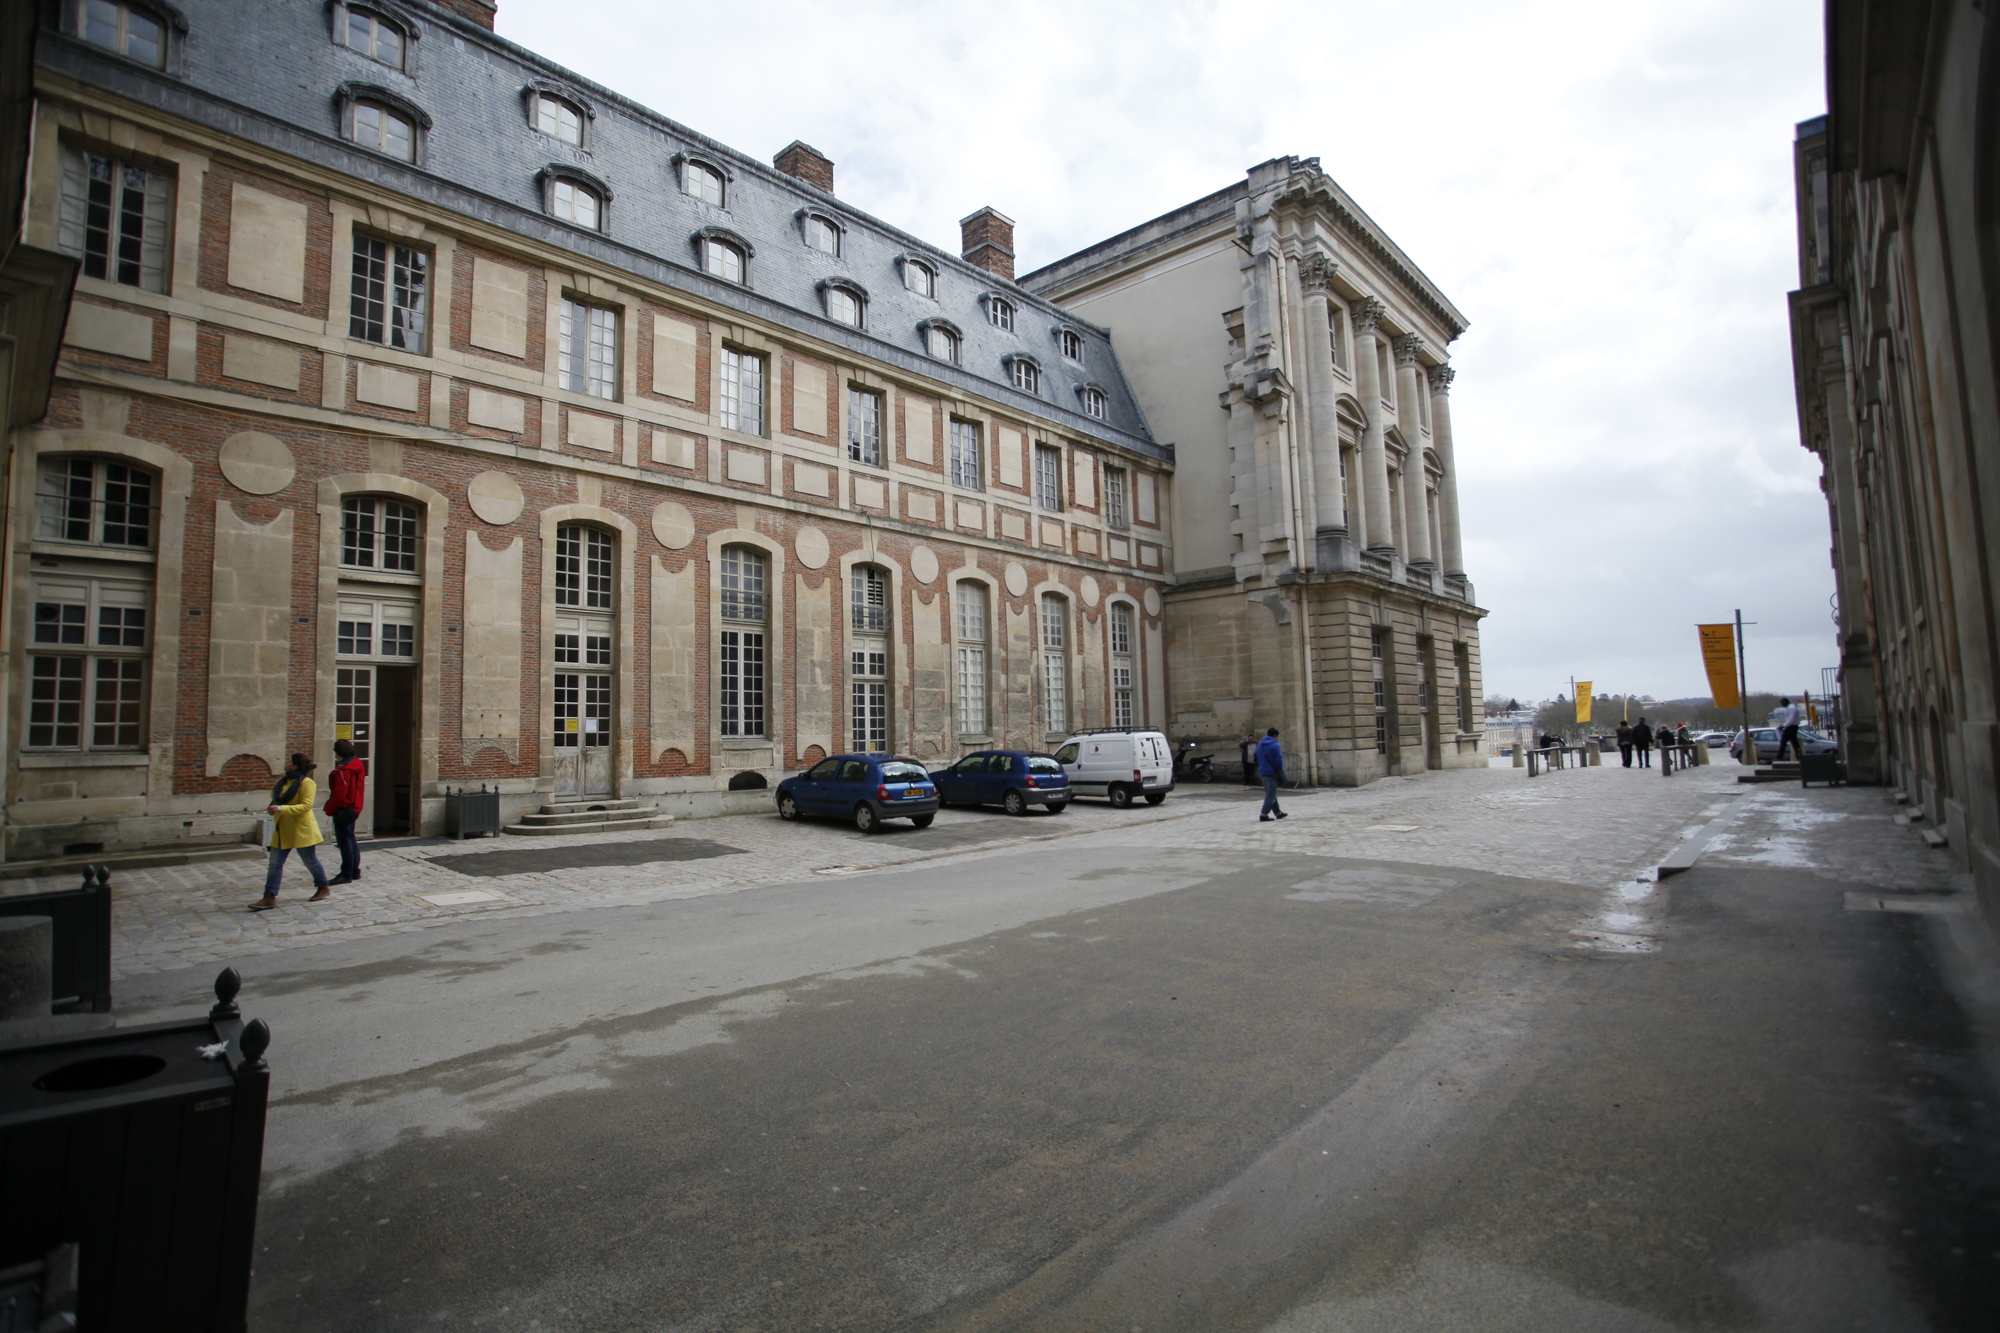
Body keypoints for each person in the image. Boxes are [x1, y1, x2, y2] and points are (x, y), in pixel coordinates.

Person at [249, 753, 331, 911]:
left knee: (310, 860)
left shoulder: (307, 783)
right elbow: (275, 796)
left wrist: (281, 808)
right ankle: (269, 896)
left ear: (295, 765)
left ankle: (323, 886)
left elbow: (306, 806)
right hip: (283, 829)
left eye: (289, 761)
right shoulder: (284, 781)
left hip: (301, 829)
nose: (285, 763)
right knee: (275, 863)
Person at [325, 738, 367, 885]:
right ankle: (354, 870)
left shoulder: (345, 769)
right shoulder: (356, 764)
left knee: (345, 841)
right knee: (350, 839)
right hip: (354, 806)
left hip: (345, 807)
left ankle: (347, 872)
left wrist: (329, 808)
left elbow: (340, 793)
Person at [1256, 727, 1289, 822]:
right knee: (1270, 794)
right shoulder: (1275, 745)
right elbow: (1278, 760)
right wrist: (1279, 769)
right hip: (1272, 772)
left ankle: (1277, 812)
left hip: (1262, 771)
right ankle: (1263, 814)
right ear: (1275, 736)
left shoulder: (1260, 745)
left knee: (1271, 793)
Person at [1772, 696, 1802, 763]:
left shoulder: (1791, 708)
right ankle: (1800, 757)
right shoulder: (1791, 708)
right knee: (1794, 742)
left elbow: (1791, 719)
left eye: (1782, 703)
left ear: (1785, 702)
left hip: (1791, 727)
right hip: (1793, 727)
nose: (1781, 704)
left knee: (1783, 741)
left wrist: (1783, 726)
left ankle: (1779, 757)